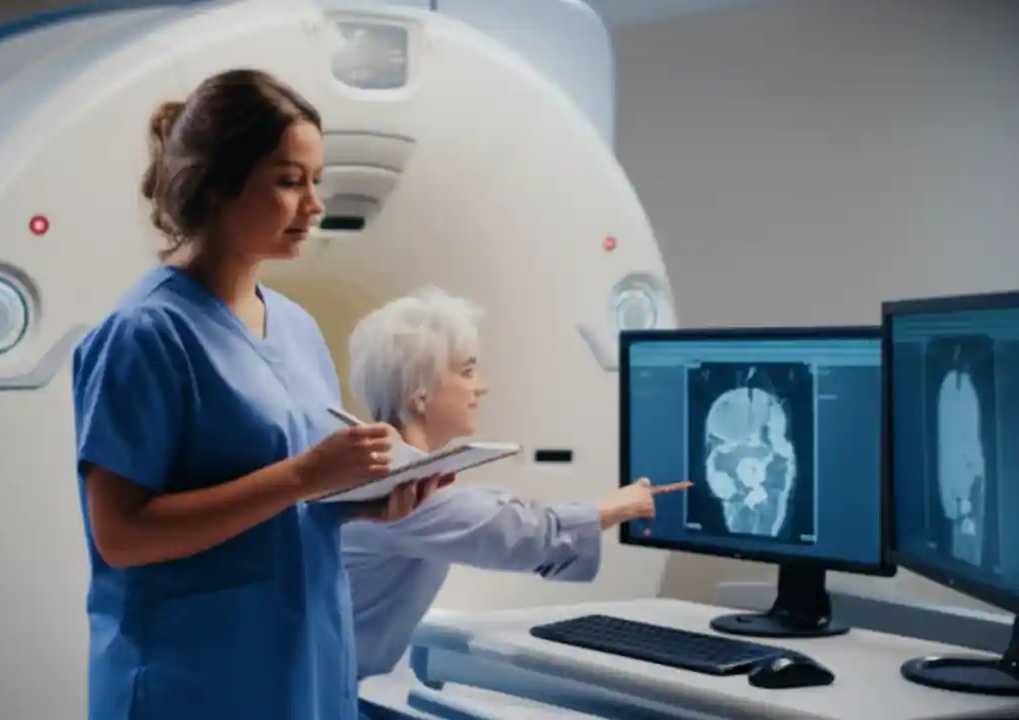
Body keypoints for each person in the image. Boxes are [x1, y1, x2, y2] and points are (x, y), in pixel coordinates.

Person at [71, 69, 443, 720]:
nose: (314, 206)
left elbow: (292, 507)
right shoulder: (144, 335)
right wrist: (305, 475)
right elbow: (122, 535)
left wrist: (365, 504)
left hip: (304, 661)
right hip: (192, 680)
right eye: (289, 181)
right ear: (215, 184)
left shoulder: (295, 326)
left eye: (316, 182)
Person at [340, 286, 692, 679]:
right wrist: (625, 503)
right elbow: (516, 533)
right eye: (468, 371)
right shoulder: (397, 489)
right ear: (419, 395)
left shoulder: (391, 472)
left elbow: (474, 507)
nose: (481, 386)